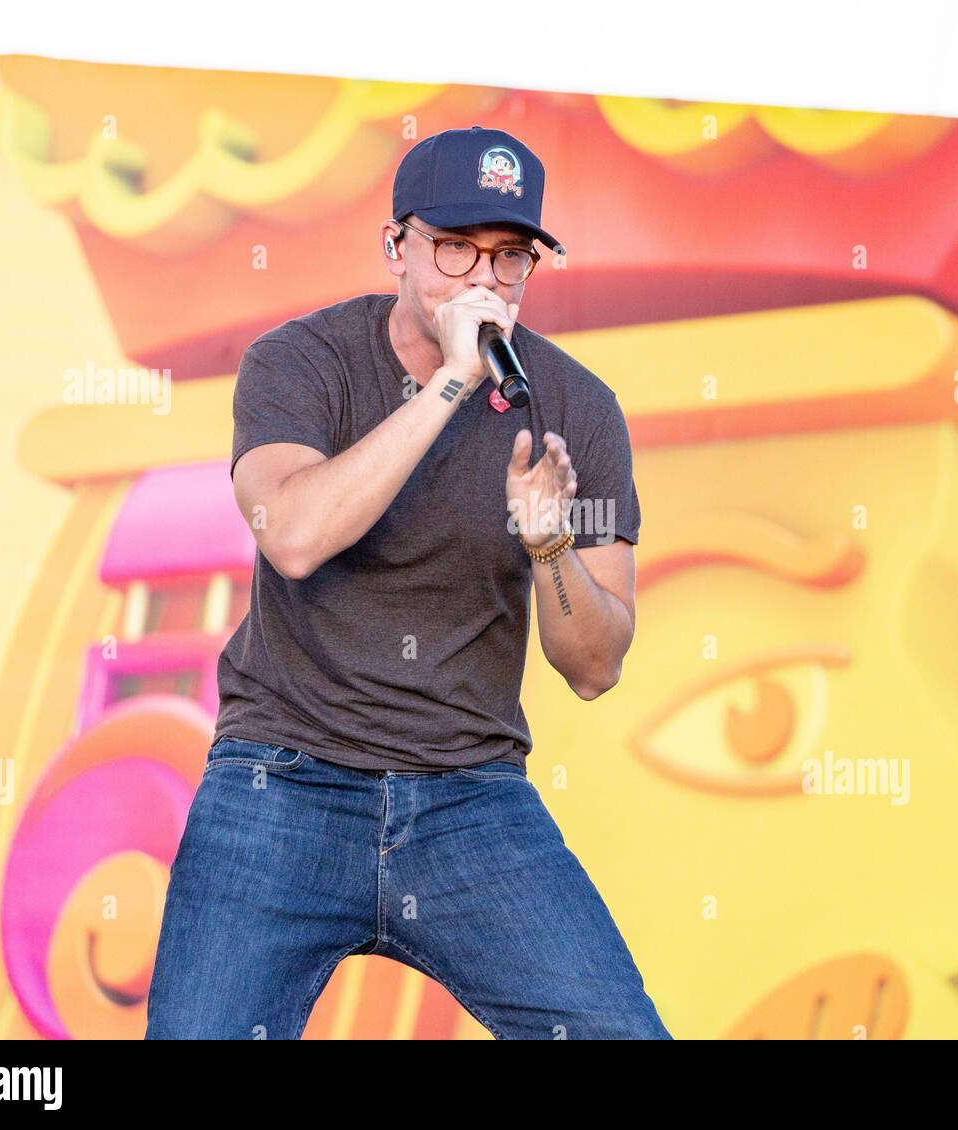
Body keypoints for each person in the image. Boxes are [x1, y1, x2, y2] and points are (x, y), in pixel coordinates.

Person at [145, 126, 671, 1040]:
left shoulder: (575, 408)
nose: (484, 280)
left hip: (469, 797)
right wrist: (452, 387)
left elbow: (594, 665)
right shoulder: (301, 361)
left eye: (510, 259)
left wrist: (550, 546)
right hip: (282, 779)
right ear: (397, 246)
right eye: (455, 247)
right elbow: (295, 536)